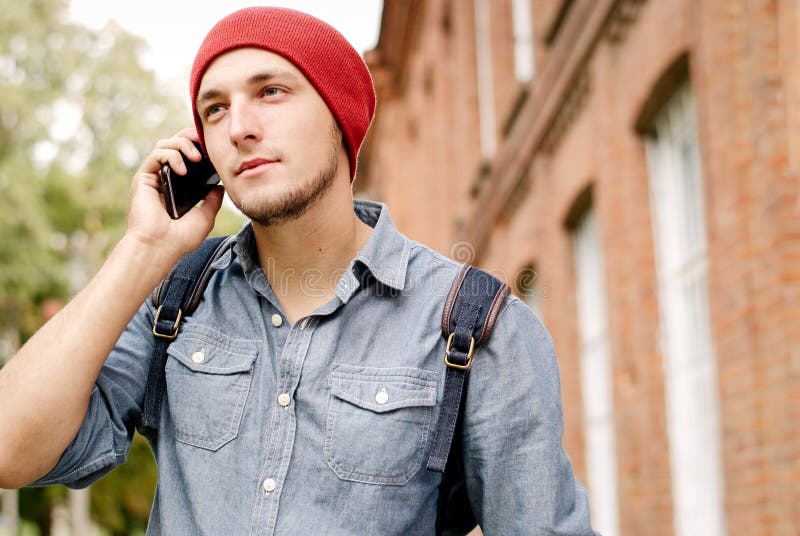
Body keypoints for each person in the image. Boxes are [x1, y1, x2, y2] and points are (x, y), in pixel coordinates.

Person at [0, 7, 597, 535]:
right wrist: (144, 247)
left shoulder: (476, 323)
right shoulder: (176, 298)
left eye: (271, 92)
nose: (238, 127)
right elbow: (10, 449)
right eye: (215, 109)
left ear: (340, 117)